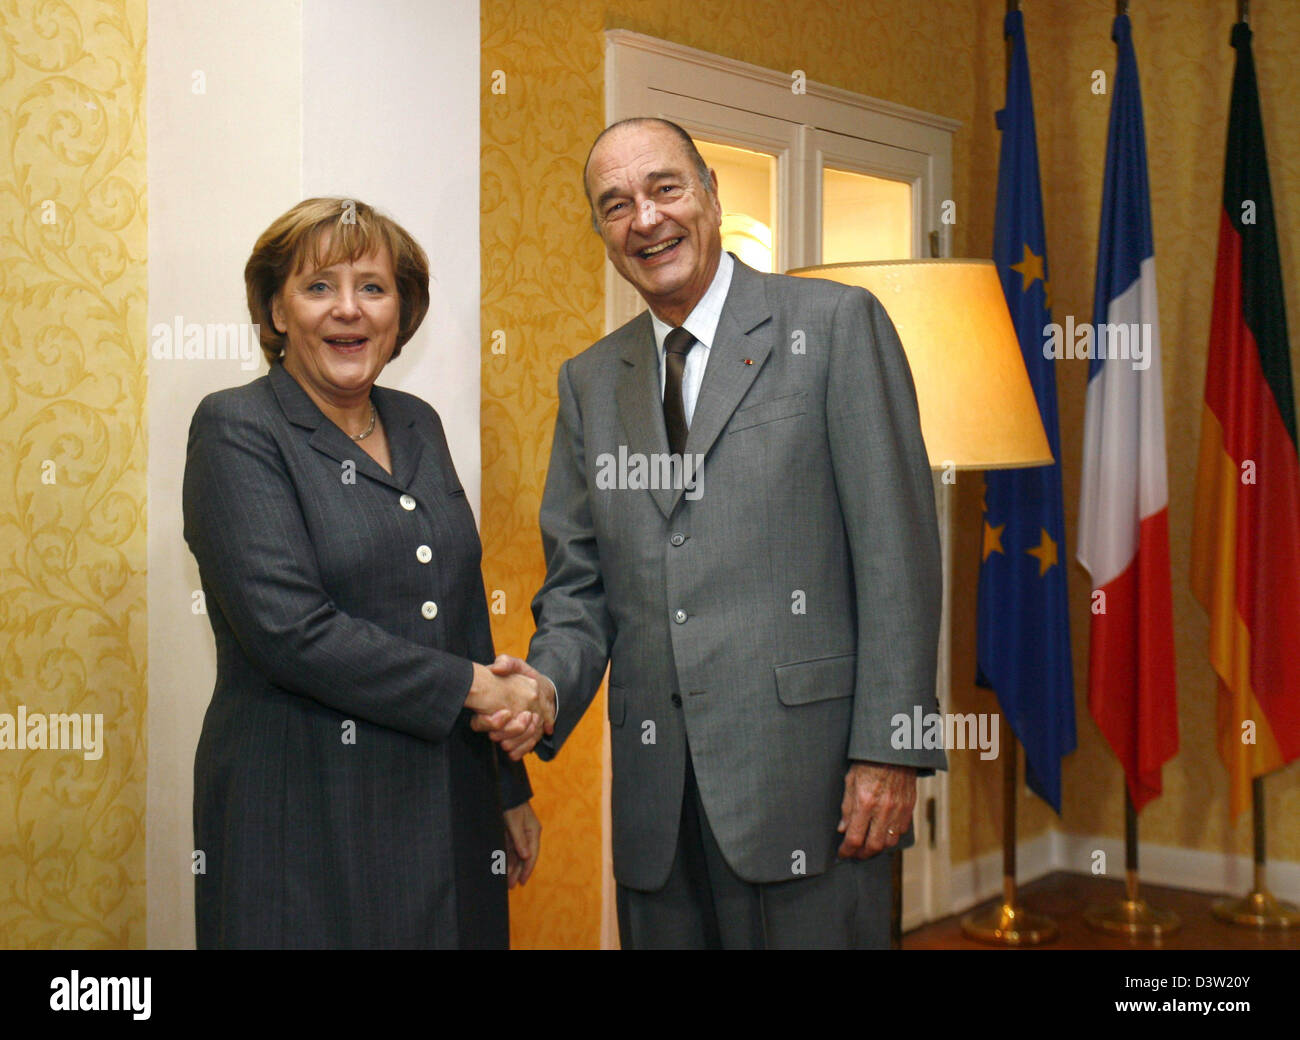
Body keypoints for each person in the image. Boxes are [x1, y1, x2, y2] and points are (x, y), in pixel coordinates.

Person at [481, 119, 945, 949]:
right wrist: (543, 691)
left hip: (817, 791)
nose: (646, 220)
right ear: (602, 234)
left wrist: (892, 751)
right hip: (661, 816)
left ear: (710, 193)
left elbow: (897, 558)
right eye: (616, 205)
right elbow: (578, 589)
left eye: (665, 188)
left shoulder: (835, 326)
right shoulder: (591, 382)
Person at [183, 197, 550, 949]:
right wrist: (481, 688)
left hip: (448, 802)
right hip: (301, 811)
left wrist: (506, 787)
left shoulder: (417, 421)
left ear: (400, 311)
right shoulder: (236, 429)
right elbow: (290, 632)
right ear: (276, 310)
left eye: (373, 288)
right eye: (319, 287)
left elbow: (460, 609)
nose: (348, 310)